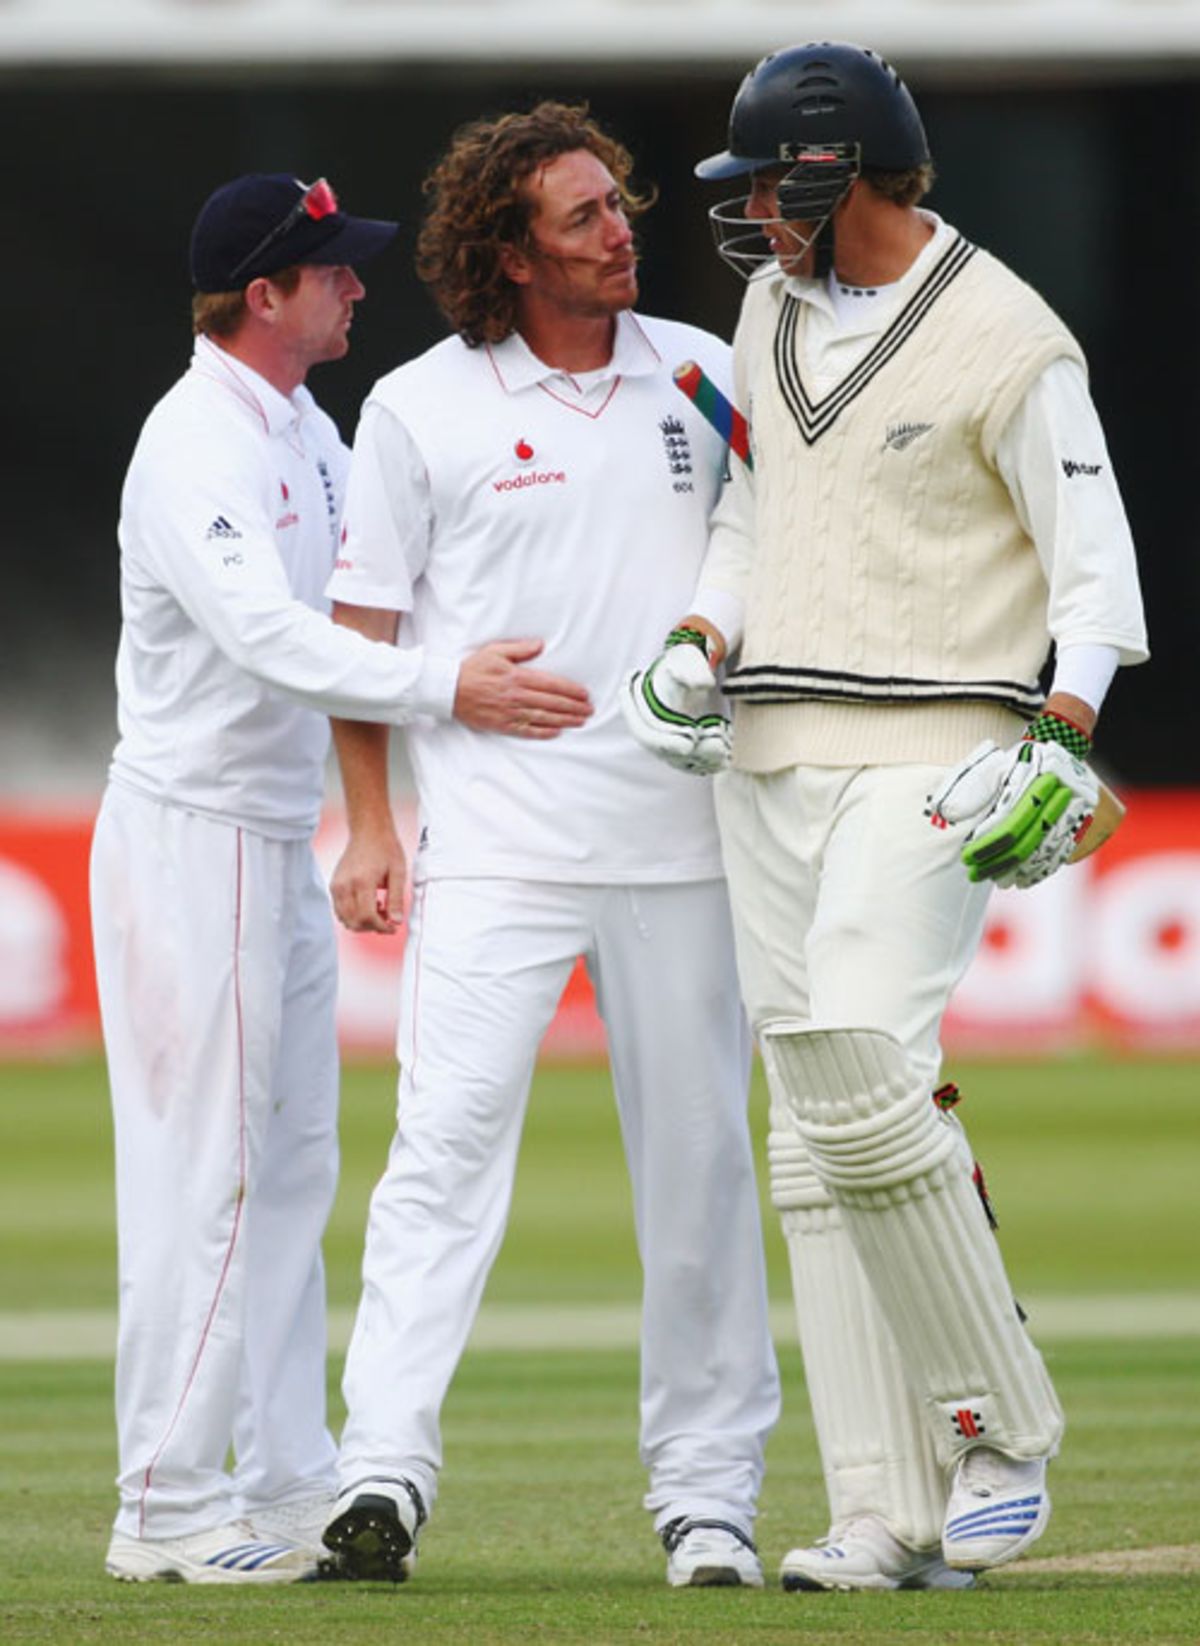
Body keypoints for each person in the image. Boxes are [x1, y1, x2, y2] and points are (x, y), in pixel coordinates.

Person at [625, 42, 1148, 1591]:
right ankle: (880, 1511)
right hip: (769, 751)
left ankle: (997, 1423)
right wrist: (697, 639)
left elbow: (1098, 568)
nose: (748, 221)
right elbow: (752, 508)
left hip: (934, 743)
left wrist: (1063, 729)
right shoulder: (771, 306)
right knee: (811, 1133)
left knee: (860, 1052)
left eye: (764, 188)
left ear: (831, 173)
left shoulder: (1005, 332)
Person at [91, 170, 591, 1585]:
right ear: (265, 295)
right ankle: (165, 1503)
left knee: (294, 1166)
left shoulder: (305, 427)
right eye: (333, 273)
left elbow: (347, 608)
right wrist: (448, 689)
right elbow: (268, 636)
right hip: (194, 835)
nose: (358, 288)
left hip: (267, 830)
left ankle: (291, 1474)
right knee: (217, 1175)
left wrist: (378, 791)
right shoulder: (195, 441)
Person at [317, 101, 781, 1589]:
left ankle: (710, 1495)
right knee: (441, 1151)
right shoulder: (419, 406)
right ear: (509, 254)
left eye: (618, 204)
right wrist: (374, 825)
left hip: (687, 844)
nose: (619, 229)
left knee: (702, 1168)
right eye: (582, 216)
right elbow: (360, 634)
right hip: (499, 846)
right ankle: (379, 1469)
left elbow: (780, 552)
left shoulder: (707, 379)